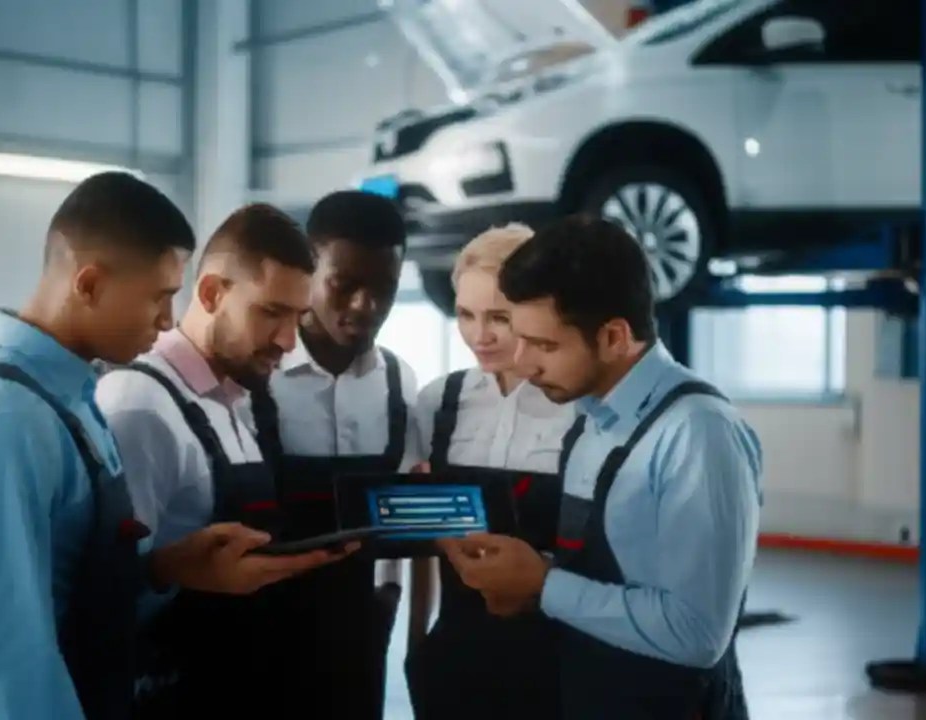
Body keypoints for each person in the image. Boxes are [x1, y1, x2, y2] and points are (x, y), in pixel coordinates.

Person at [0, 174, 340, 720]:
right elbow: (5, 662)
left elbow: (74, 588)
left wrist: (163, 569)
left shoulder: (68, 398)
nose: (167, 320)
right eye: (159, 298)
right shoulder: (0, 425)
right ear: (88, 285)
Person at [438, 215, 760, 720]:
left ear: (613, 338)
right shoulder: (591, 420)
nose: (522, 364)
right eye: (519, 338)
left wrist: (541, 584)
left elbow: (697, 633)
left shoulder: (697, 433)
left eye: (544, 346)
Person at [94, 203, 357, 718]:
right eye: (271, 313)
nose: (288, 341)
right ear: (212, 293)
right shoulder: (138, 404)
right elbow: (106, 595)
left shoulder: (234, 399)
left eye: (298, 318)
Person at [237, 190, 420, 720]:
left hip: (358, 635)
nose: (365, 305)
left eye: (384, 289)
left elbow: (401, 505)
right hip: (257, 631)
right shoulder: (255, 375)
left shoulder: (398, 382)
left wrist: (387, 600)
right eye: (345, 285)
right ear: (310, 271)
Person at [404, 223, 576, 720]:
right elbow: (420, 530)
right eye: (465, 314)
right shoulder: (440, 401)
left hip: (557, 660)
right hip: (456, 656)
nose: (479, 335)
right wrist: (419, 642)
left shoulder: (577, 406)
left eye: (499, 317)